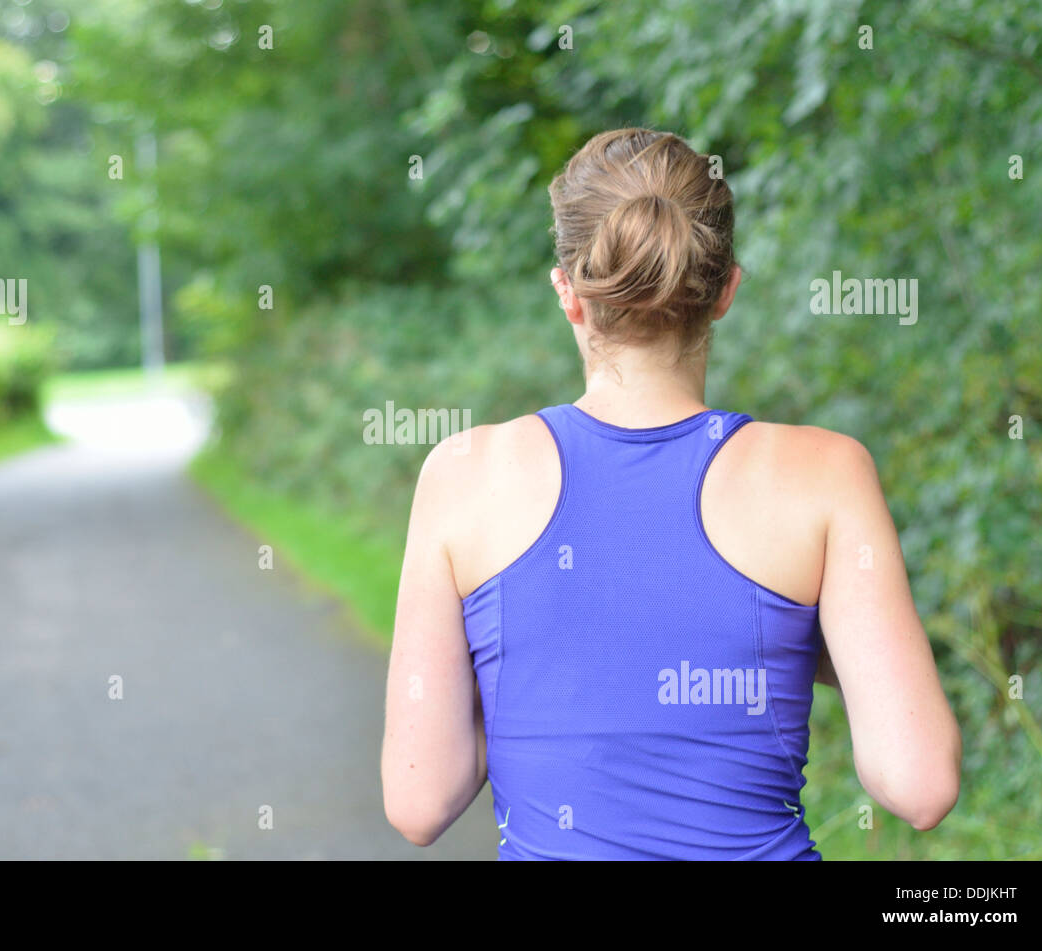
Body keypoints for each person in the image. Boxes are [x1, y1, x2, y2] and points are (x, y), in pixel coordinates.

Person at [380, 127, 961, 859]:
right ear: (725, 292)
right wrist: (804, 639)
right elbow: (921, 782)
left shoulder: (463, 473)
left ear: (569, 296)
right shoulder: (824, 472)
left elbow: (418, 798)